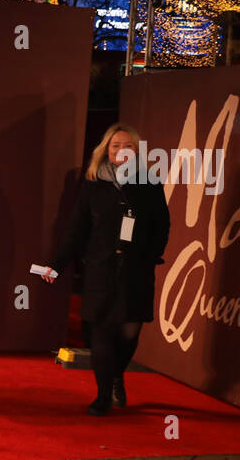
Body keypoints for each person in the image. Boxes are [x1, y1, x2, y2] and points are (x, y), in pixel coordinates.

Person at [42, 123, 171, 415]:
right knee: (100, 334)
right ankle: (102, 396)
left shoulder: (149, 183)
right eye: (115, 146)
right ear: (106, 151)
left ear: (137, 152)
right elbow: (76, 230)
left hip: (135, 271)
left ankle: (116, 376)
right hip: (100, 269)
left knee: (128, 334)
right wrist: (57, 265)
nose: (121, 150)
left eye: (128, 146)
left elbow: (162, 225)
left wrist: (151, 256)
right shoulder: (92, 185)